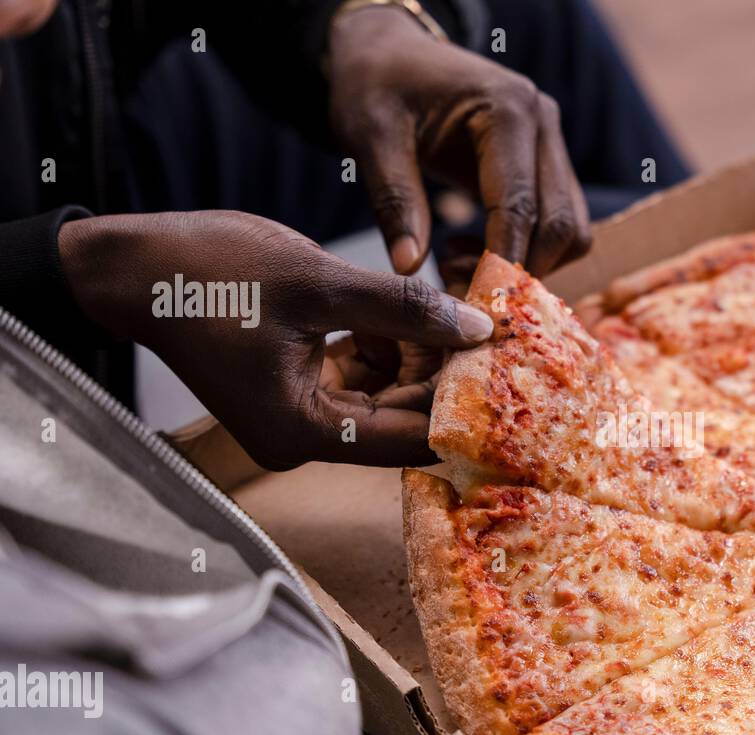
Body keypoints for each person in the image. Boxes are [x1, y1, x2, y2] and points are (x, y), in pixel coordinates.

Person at [0, 0, 689, 468]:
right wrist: (73, 276)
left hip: (86, 89)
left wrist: (362, 19)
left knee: (533, 18)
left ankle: (675, 336)